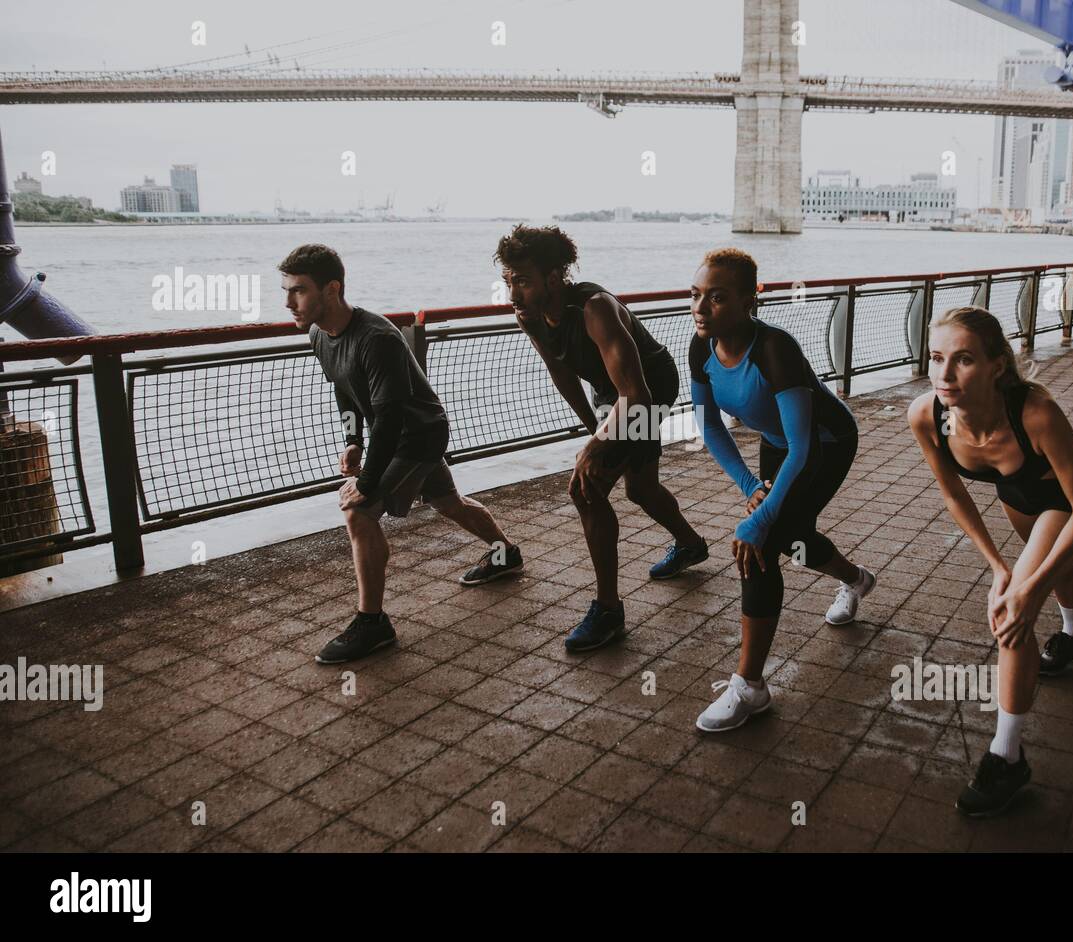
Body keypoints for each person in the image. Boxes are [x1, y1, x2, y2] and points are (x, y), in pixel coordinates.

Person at [280, 244, 524, 665]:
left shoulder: (376, 339)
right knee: (449, 502)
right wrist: (353, 439)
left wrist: (367, 482)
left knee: (360, 513)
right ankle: (506, 554)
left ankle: (372, 623)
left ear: (332, 288)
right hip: (398, 435)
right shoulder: (319, 333)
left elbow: (391, 420)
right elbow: (344, 388)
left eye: (298, 291)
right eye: (286, 291)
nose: (288, 303)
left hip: (419, 435)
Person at [907, 305, 1073, 817]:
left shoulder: (1036, 412)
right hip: (1016, 492)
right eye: (936, 358)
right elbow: (953, 495)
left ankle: (1007, 756)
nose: (945, 375)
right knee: (1049, 569)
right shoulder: (926, 415)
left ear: (997, 364)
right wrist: (998, 566)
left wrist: (1023, 589)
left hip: (1063, 492)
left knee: (1016, 611)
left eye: (964, 359)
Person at [495, 225, 710, 653]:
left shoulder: (595, 309)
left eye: (522, 280)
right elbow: (560, 370)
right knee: (641, 488)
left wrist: (596, 447)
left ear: (554, 278)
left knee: (587, 488)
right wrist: (592, 431)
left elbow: (637, 395)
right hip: (613, 392)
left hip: (648, 386)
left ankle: (609, 611)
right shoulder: (529, 314)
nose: (512, 292)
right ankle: (690, 544)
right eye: (507, 280)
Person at [689, 248, 875, 732]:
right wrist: (751, 487)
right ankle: (855, 579)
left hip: (824, 443)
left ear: (753, 298)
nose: (701, 308)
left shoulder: (775, 349)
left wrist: (759, 515)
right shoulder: (699, 346)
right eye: (696, 295)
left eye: (718, 297)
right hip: (779, 445)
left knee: (766, 541)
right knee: (793, 536)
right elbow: (710, 428)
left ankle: (750, 686)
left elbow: (804, 445)